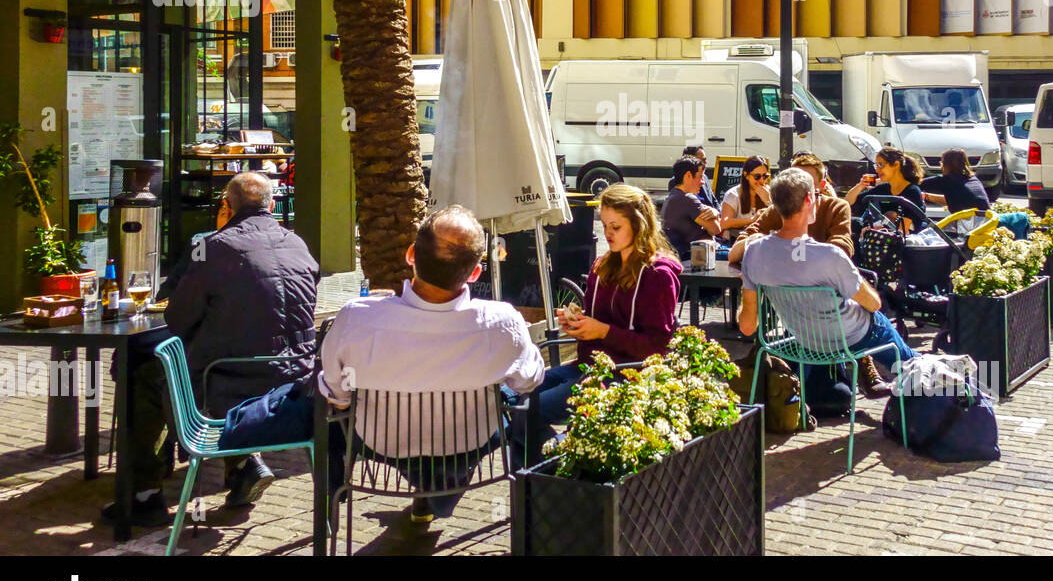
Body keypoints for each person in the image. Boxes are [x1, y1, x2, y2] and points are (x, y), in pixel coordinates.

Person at [102, 172, 319, 527]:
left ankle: (145, 491)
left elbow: (178, 316)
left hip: (229, 378)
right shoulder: (297, 244)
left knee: (142, 371)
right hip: (296, 379)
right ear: (273, 204)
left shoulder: (215, 247)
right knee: (229, 361)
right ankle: (243, 466)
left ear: (227, 205)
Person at [319, 205, 546, 523]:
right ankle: (516, 512)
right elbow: (530, 382)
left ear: (411, 254)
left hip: (380, 446)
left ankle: (326, 515)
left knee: (321, 413)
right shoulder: (504, 322)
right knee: (517, 405)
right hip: (468, 444)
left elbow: (336, 394)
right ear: (475, 272)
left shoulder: (355, 318)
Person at [737, 168, 916, 410]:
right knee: (890, 335)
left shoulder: (754, 252)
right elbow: (873, 304)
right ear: (810, 200)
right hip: (850, 336)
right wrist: (856, 278)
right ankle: (924, 378)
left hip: (804, 339)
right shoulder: (829, 256)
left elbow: (747, 326)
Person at [534, 184, 682, 429]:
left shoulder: (658, 276)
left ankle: (554, 462)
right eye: (604, 226)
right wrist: (578, 323)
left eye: (615, 227)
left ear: (639, 225)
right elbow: (595, 321)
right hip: (586, 366)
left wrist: (602, 331)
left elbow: (657, 347)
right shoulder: (602, 265)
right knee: (507, 396)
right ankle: (460, 461)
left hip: (625, 375)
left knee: (529, 411)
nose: (607, 234)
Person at [729, 152, 853, 263]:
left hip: (820, 283)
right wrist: (754, 241)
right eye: (792, 186)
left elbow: (842, 248)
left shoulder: (836, 207)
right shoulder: (779, 208)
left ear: (821, 186)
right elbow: (736, 251)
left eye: (806, 187)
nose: (798, 196)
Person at [844, 147, 926, 234]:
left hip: (900, 240)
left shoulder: (912, 191)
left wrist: (871, 229)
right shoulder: (884, 188)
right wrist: (860, 185)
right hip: (882, 234)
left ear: (896, 164)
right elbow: (847, 203)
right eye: (876, 165)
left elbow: (903, 229)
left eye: (881, 165)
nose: (877, 170)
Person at [661, 155, 722, 259]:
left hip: (693, 253)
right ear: (688, 175)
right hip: (701, 256)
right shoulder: (687, 199)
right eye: (700, 177)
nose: (703, 182)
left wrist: (714, 211)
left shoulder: (673, 196)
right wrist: (715, 213)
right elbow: (716, 229)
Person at [919, 148, 991, 215]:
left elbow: (916, 183)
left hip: (970, 223)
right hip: (987, 220)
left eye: (942, 161)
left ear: (945, 164)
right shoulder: (972, 179)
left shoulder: (946, 180)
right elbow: (955, 199)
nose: (940, 163)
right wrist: (926, 196)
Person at [719, 155, 771, 242]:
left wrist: (768, 201)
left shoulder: (770, 192)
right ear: (746, 175)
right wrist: (752, 220)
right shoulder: (733, 194)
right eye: (757, 177)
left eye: (765, 176)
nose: (762, 181)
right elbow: (724, 223)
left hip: (764, 242)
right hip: (737, 242)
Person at [683, 145, 722, 212]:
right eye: (702, 160)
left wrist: (720, 213)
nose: (705, 163)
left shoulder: (704, 177)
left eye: (705, 159)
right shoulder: (679, 181)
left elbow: (714, 201)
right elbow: (693, 206)